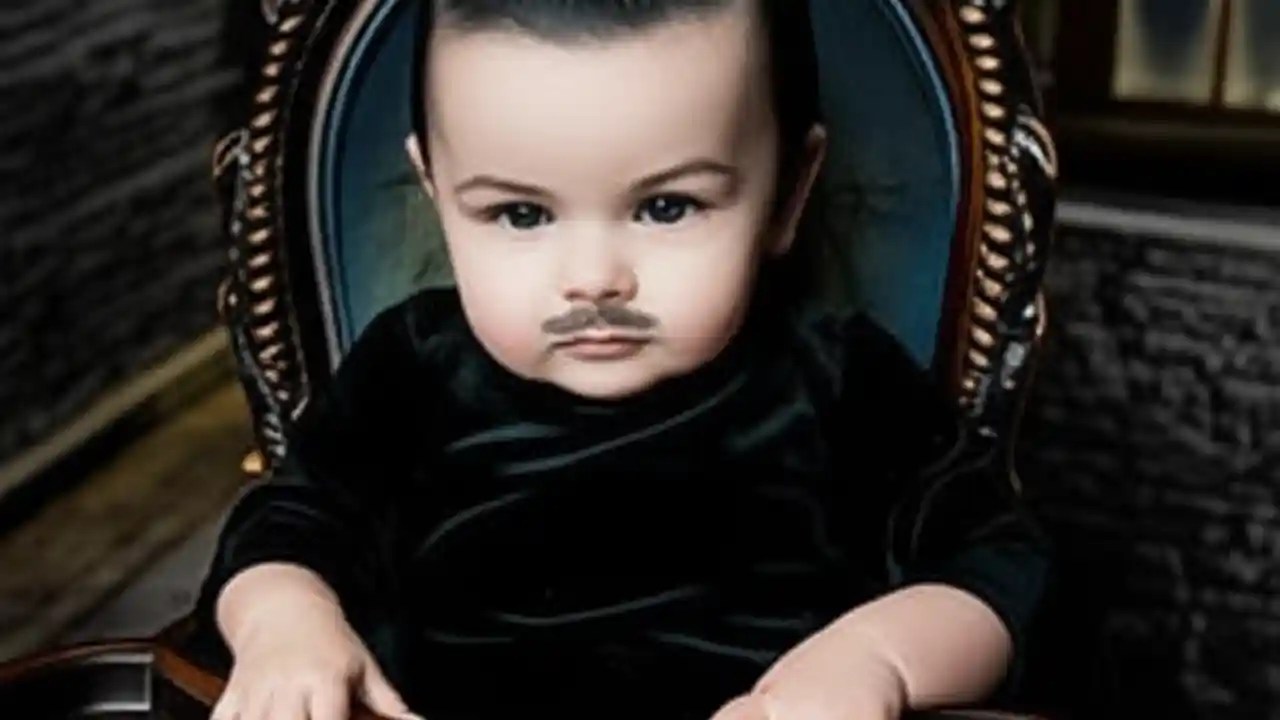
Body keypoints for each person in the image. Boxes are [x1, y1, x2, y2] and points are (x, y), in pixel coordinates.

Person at [193, 1, 1052, 718]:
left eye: (668, 206)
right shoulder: (413, 372)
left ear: (789, 192)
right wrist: (285, 621)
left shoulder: (836, 382)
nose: (594, 279)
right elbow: (282, 525)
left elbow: (1002, 565)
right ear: (437, 196)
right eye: (521, 216)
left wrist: (877, 660)